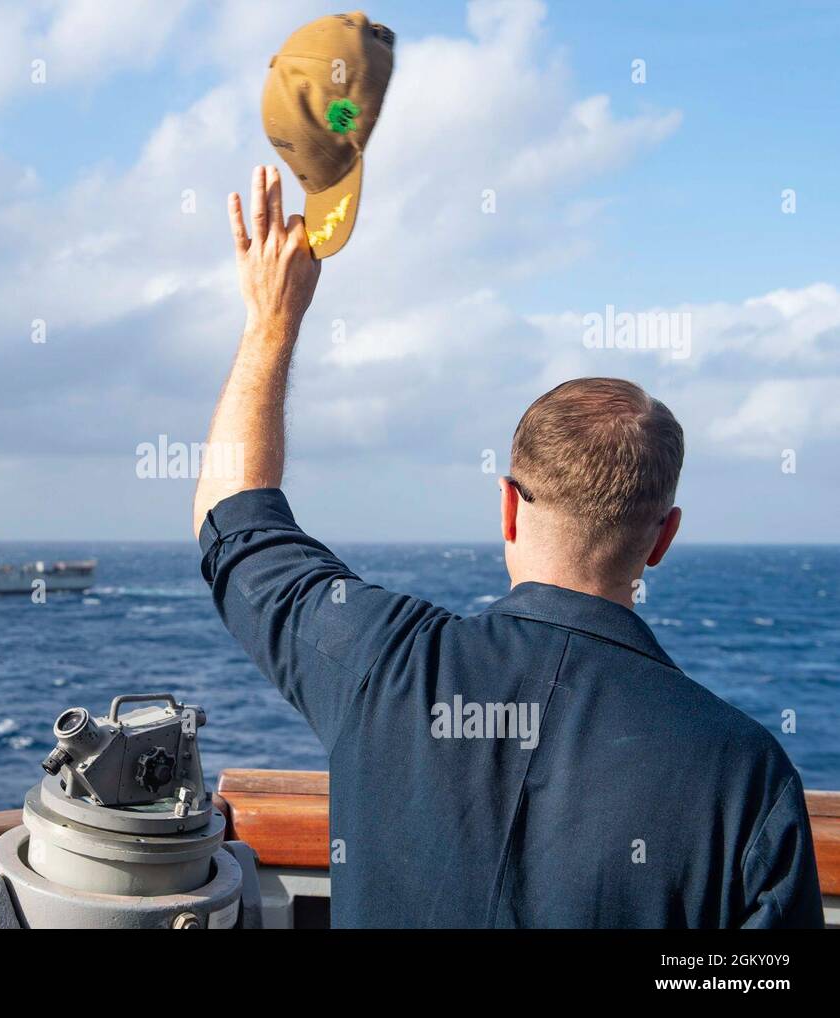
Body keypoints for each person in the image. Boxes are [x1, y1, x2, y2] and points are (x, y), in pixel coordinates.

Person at [192, 165, 825, 928]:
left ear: (507, 507)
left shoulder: (382, 666)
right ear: (663, 538)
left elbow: (235, 519)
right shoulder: (745, 775)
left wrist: (272, 318)